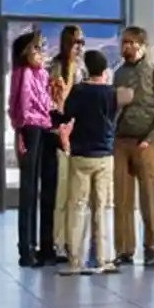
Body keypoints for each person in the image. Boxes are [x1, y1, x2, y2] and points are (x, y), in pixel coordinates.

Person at [56, 49, 133, 276]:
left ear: (87, 68)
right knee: (101, 208)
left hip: (81, 154)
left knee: (78, 207)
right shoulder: (111, 93)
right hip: (105, 156)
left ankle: (75, 261)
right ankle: (101, 258)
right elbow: (124, 100)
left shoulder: (79, 91)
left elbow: (66, 114)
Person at [111, 26, 154, 268]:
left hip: (146, 142)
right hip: (121, 141)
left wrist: (153, 137)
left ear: (142, 45)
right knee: (122, 199)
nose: (125, 47)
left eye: (130, 43)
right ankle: (124, 248)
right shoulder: (118, 74)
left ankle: (152, 246)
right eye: (123, 42)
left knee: (149, 198)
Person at [7, 30, 54, 267]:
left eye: (41, 48)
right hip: (30, 128)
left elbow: (46, 103)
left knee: (39, 188)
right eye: (36, 49)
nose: (41, 53)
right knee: (28, 191)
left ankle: (38, 247)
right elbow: (20, 105)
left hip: (43, 127)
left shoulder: (42, 74)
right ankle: (25, 249)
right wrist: (20, 133)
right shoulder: (23, 73)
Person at [48, 25, 88, 264]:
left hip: (77, 135)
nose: (80, 47)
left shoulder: (81, 69)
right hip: (58, 133)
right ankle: (57, 242)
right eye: (76, 43)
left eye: (82, 42)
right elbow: (54, 103)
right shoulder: (55, 68)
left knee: (76, 195)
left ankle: (71, 242)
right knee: (60, 193)